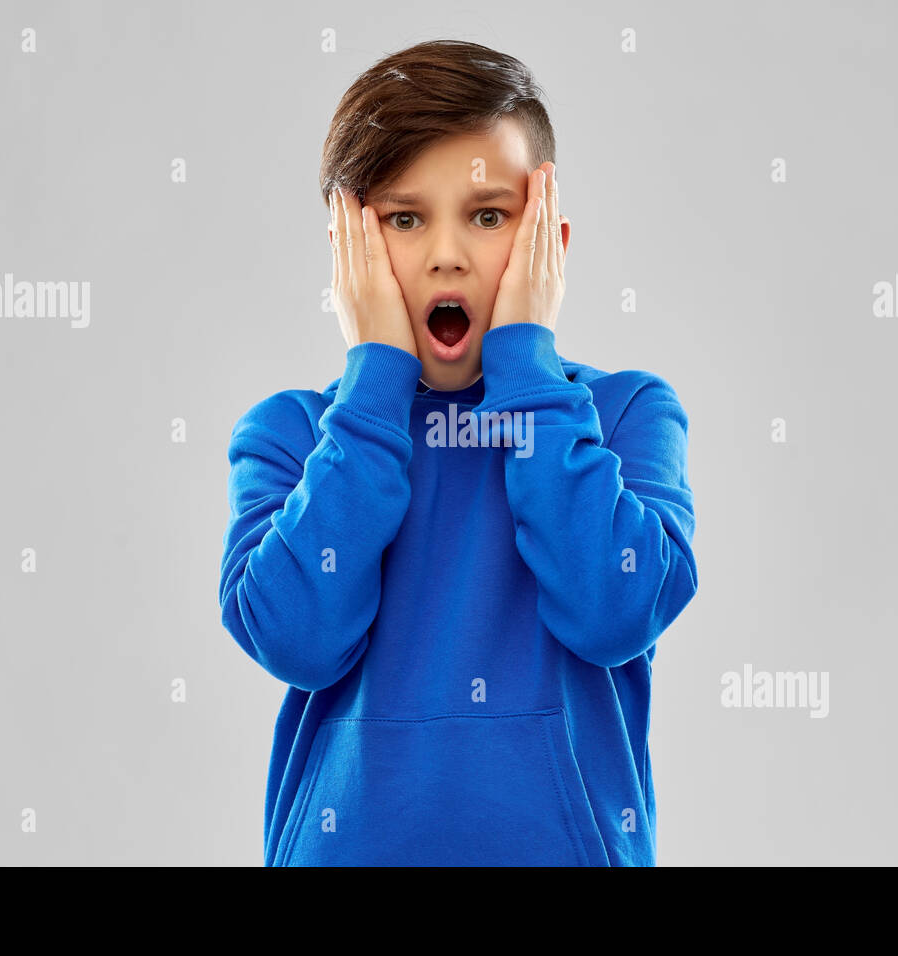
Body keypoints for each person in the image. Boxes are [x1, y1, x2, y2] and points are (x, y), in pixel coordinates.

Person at [219, 39, 698, 866]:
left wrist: (526, 364)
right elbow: (295, 638)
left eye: (488, 216)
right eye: (405, 219)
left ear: (550, 240)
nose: (448, 253)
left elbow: (614, 609)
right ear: (346, 251)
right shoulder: (293, 436)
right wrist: (373, 389)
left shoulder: (622, 415)